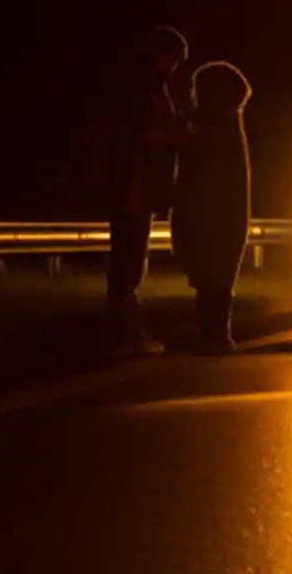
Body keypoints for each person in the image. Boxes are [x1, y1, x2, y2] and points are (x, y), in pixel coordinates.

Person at [106, 25, 189, 356]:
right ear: (164, 57)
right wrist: (178, 140)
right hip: (134, 190)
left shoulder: (147, 88)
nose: (175, 68)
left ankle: (126, 333)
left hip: (137, 189)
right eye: (175, 60)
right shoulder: (143, 91)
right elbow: (137, 141)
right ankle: (127, 336)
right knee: (129, 264)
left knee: (127, 263)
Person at [171, 61, 252, 354]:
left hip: (207, 208)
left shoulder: (209, 126)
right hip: (228, 211)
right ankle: (216, 333)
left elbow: (197, 167)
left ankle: (212, 334)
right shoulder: (230, 123)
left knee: (209, 273)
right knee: (219, 274)